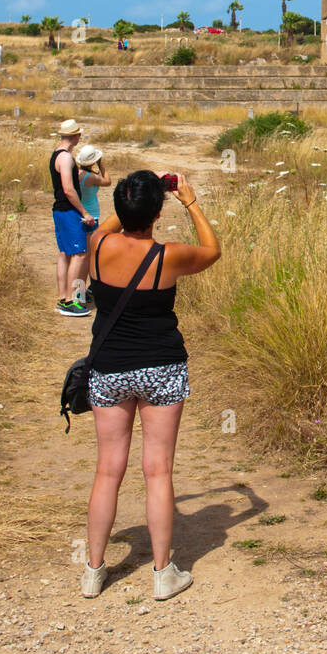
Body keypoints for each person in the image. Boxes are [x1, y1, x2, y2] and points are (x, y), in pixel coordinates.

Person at [82, 171, 220, 601]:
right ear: (157, 214)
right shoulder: (169, 256)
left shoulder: (98, 245)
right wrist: (190, 202)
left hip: (110, 369)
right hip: (160, 368)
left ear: (121, 210)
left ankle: (93, 571)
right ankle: (164, 573)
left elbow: (110, 223)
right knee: (157, 470)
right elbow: (213, 251)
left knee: (108, 470)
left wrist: (135, 198)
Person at [50, 119, 97, 316]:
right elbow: (69, 190)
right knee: (80, 254)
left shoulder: (56, 155)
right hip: (70, 210)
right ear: (75, 136)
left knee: (65, 254)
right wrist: (84, 213)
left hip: (59, 210)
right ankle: (71, 300)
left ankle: (63, 296)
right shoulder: (67, 158)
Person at [75, 144, 111, 309]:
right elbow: (107, 181)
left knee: (80, 256)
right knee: (88, 258)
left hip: (79, 214)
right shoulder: (91, 177)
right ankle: (80, 294)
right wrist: (101, 164)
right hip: (92, 217)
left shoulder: (77, 174)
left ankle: (82, 292)